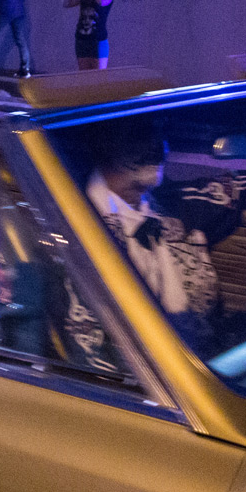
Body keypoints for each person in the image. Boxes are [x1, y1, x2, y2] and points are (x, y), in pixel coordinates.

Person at [83, 126, 218, 351]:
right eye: (137, 187)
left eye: (149, 188)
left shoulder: (160, 206)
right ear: (110, 166)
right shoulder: (88, 227)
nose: (144, 195)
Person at [66, 0, 114, 69]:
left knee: (99, 76)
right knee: (84, 75)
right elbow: (66, 3)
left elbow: (101, 1)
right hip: (82, 39)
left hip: (98, 40)